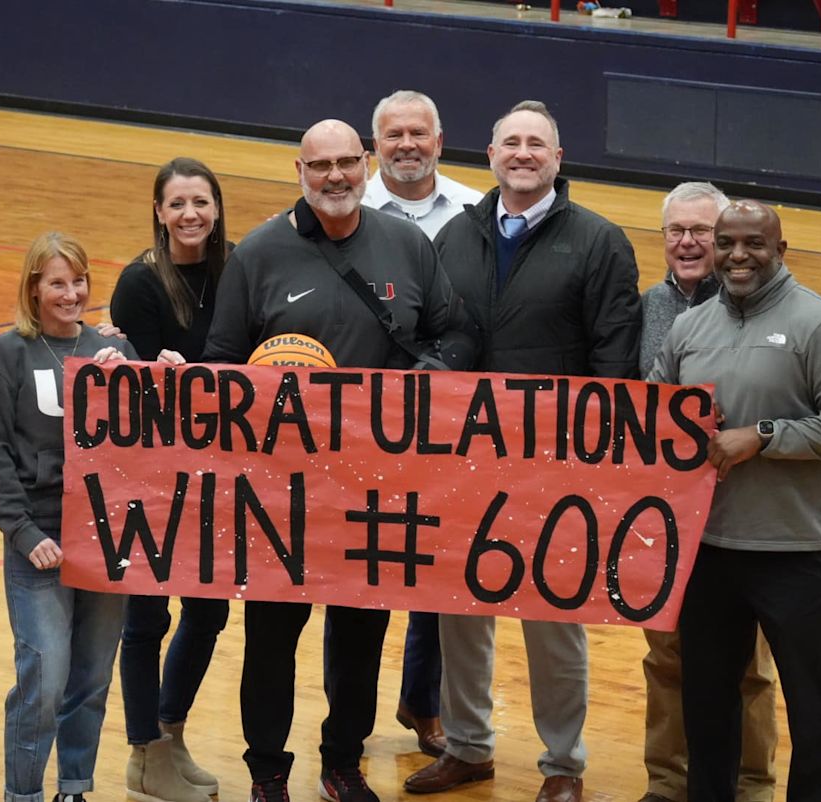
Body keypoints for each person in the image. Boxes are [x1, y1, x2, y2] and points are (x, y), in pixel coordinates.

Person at [202, 118, 473, 802]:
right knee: (270, 641)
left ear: (368, 163)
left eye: (347, 163)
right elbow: (221, 366)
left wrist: (427, 377)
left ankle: (342, 764)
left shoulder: (407, 244)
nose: (335, 177)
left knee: (359, 639)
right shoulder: (259, 254)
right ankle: (267, 772)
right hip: (279, 493)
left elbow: (454, 332)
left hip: (374, 489)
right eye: (319, 165)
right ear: (299, 172)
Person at [407, 100, 642, 802]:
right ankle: (470, 747)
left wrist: (596, 461)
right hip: (465, 462)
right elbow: (439, 332)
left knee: (554, 622)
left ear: (558, 160)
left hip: (555, 469)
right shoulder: (456, 235)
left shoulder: (600, 241)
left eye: (537, 144)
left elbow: (615, 360)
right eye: (511, 142)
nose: (523, 153)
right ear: (489, 155)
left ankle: (563, 763)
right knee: (460, 611)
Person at [651, 200, 821, 802]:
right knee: (707, 703)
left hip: (795, 551)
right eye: (727, 243)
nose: (738, 255)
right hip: (710, 550)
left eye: (754, 243)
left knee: (813, 708)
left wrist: (765, 436)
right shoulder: (689, 327)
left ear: (781, 249)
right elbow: (654, 413)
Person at [0, 231, 138, 802]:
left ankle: (75, 786)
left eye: (78, 281)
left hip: (106, 541)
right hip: (39, 541)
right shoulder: (6, 354)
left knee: (92, 678)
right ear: (33, 289)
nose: (71, 294)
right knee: (43, 679)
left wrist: (136, 379)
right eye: (57, 283)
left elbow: (149, 451)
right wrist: (21, 531)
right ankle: (22, 793)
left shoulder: (113, 350)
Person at [637, 183, 778, 802]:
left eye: (702, 231)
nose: (689, 243)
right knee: (667, 655)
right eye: (677, 231)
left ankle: (749, 786)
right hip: (665, 519)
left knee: (747, 667)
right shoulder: (645, 308)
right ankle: (668, 781)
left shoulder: (766, 307)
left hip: (748, 517)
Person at [359, 89, 482, 758]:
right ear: (373, 145)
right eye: (393, 133)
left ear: (440, 139)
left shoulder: (475, 209)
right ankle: (348, 721)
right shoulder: (341, 205)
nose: (407, 143)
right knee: (357, 569)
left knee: (439, 566)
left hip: (449, 420)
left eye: (419, 132)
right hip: (359, 428)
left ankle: (423, 702)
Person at [109, 157, 232, 802]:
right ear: (158, 211)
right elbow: (131, 393)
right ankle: (143, 752)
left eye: (201, 203)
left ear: (217, 208)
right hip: (153, 477)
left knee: (209, 610)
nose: (190, 215)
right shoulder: (140, 282)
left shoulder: (237, 267)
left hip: (221, 474)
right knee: (146, 617)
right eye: (178, 204)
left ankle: (168, 732)